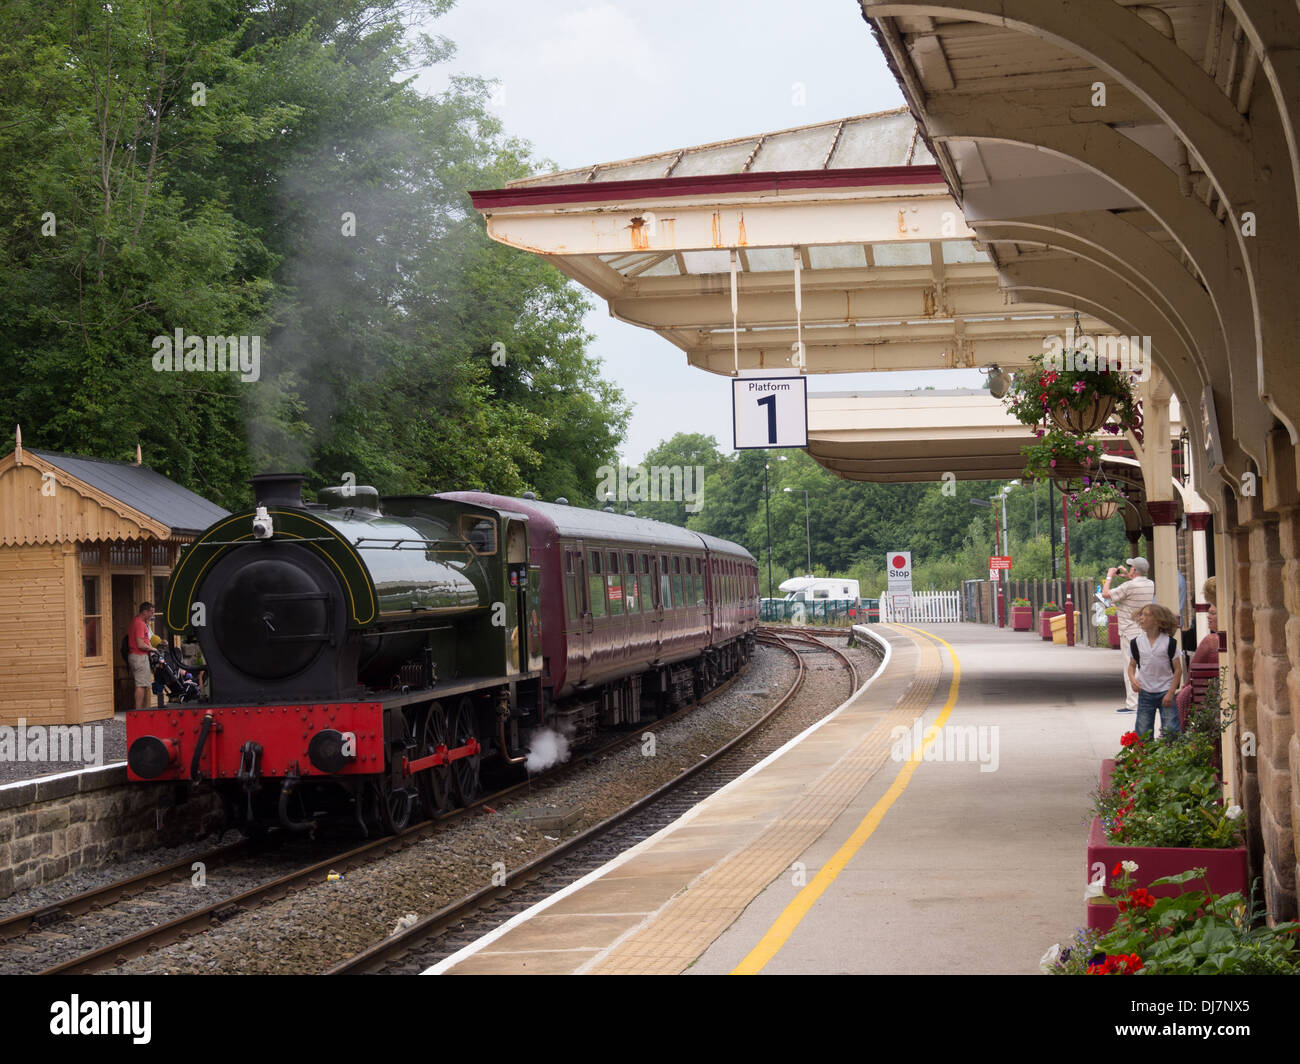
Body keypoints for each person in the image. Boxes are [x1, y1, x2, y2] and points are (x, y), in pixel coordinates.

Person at [1102, 557, 1156, 713]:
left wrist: (1109, 576)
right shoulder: (1150, 584)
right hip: (1144, 630)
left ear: (1134, 570)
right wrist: (1128, 575)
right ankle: (1146, 701)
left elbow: (1106, 594)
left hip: (1128, 631)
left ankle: (1133, 703)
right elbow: (1135, 584)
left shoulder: (1128, 586)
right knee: (1143, 666)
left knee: (1130, 667)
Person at [1129, 603, 1185, 739]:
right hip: (1145, 692)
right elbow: (1132, 665)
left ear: (1157, 620)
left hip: (1166, 692)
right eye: (1141, 615)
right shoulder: (1136, 643)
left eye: (1146, 615)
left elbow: (1178, 670)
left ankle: (1171, 757)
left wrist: (1171, 693)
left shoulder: (1169, 643)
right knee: (1143, 731)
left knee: (1171, 730)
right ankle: (1144, 757)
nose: (1142, 618)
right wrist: (1133, 680)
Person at [1176, 577, 1220, 716]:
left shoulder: (1210, 642)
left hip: (1207, 706)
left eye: (1212, 613)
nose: (1208, 616)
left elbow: (1191, 678)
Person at [128, 602, 156, 710]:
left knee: (143, 684)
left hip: (135, 656)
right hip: (139, 656)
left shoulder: (135, 621)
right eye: (151, 612)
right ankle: (139, 710)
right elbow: (140, 644)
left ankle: (141, 709)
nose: (152, 615)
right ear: (145, 612)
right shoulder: (140, 624)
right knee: (141, 684)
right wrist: (152, 649)